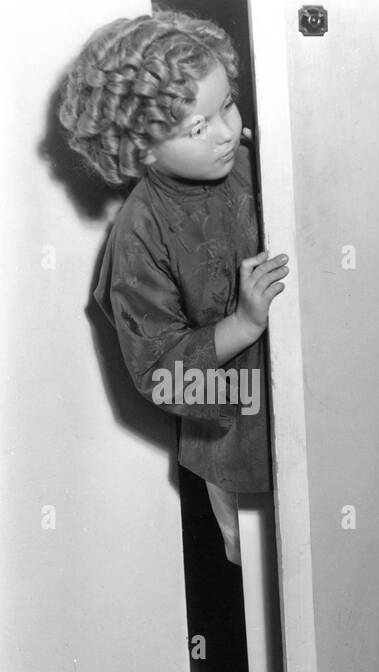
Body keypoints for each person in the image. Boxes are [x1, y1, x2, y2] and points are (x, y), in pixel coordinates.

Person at [59, 12, 289, 566]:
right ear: (138, 147)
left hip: (309, 396)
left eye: (228, 105)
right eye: (197, 127)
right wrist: (244, 324)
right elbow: (159, 370)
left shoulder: (253, 158)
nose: (227, 131)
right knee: (269, 566)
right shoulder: (141, 232)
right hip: (236, 437)